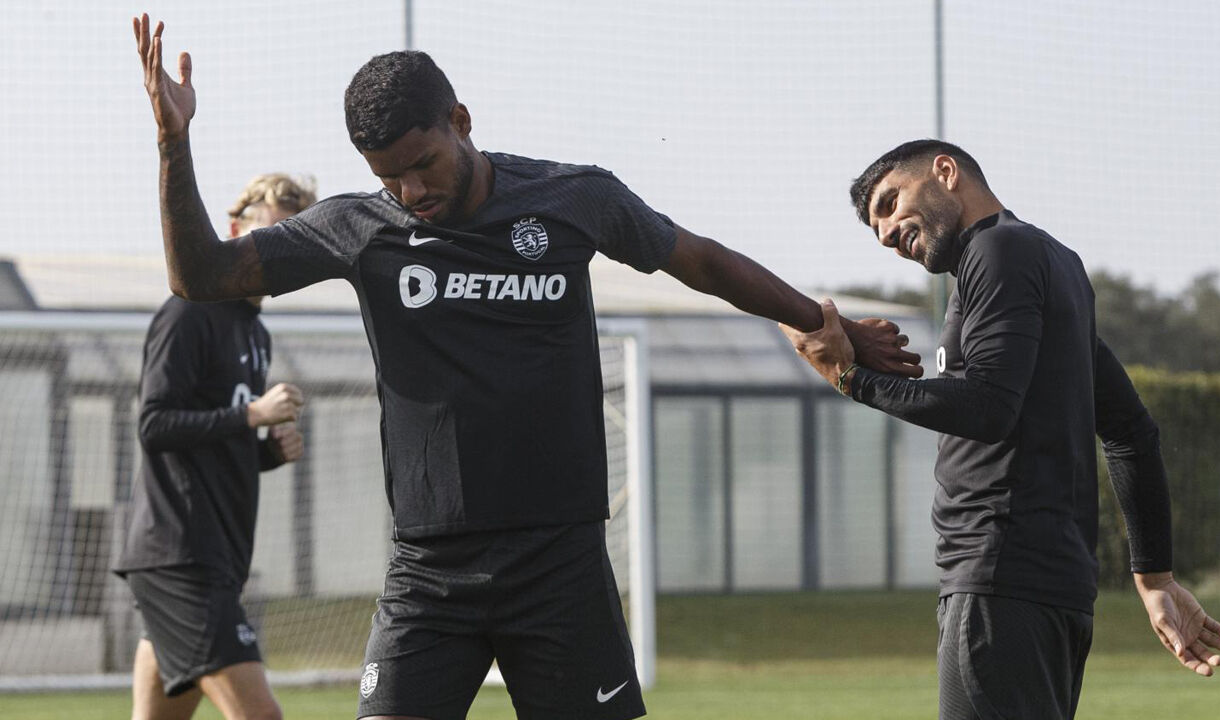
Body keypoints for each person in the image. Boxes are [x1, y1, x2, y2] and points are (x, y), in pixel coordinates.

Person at [129, 14, 921, 720]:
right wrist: (172, 144)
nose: (410, 190)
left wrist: (823, 320)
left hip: (559, 562)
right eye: (386, 177)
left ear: (461, 121)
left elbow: (700, 260)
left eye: (422, 163)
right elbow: (200, 275)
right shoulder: (358, 228)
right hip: (429, 571)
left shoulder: (572, 197)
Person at [780, 139, 1220, 719]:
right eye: (877, 231)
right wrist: (1155, 579)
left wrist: (848, 379)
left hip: (999, 582)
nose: (888, 235)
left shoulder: (997, 251)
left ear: (945, 172)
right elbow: (1130, 430)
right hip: (1048, 591)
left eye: (890, 204)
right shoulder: (1050, 263)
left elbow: (989, 407)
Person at [113, 173, 315, 720]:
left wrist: (268, 450)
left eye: (292, 243)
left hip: (216, 556)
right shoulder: (189, 310)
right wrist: (252, 414)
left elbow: (216, 444)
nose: (278, 254)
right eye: (269, 235)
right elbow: (154, 424)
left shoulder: (254, 330)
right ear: (234, 231)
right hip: (181, 555)